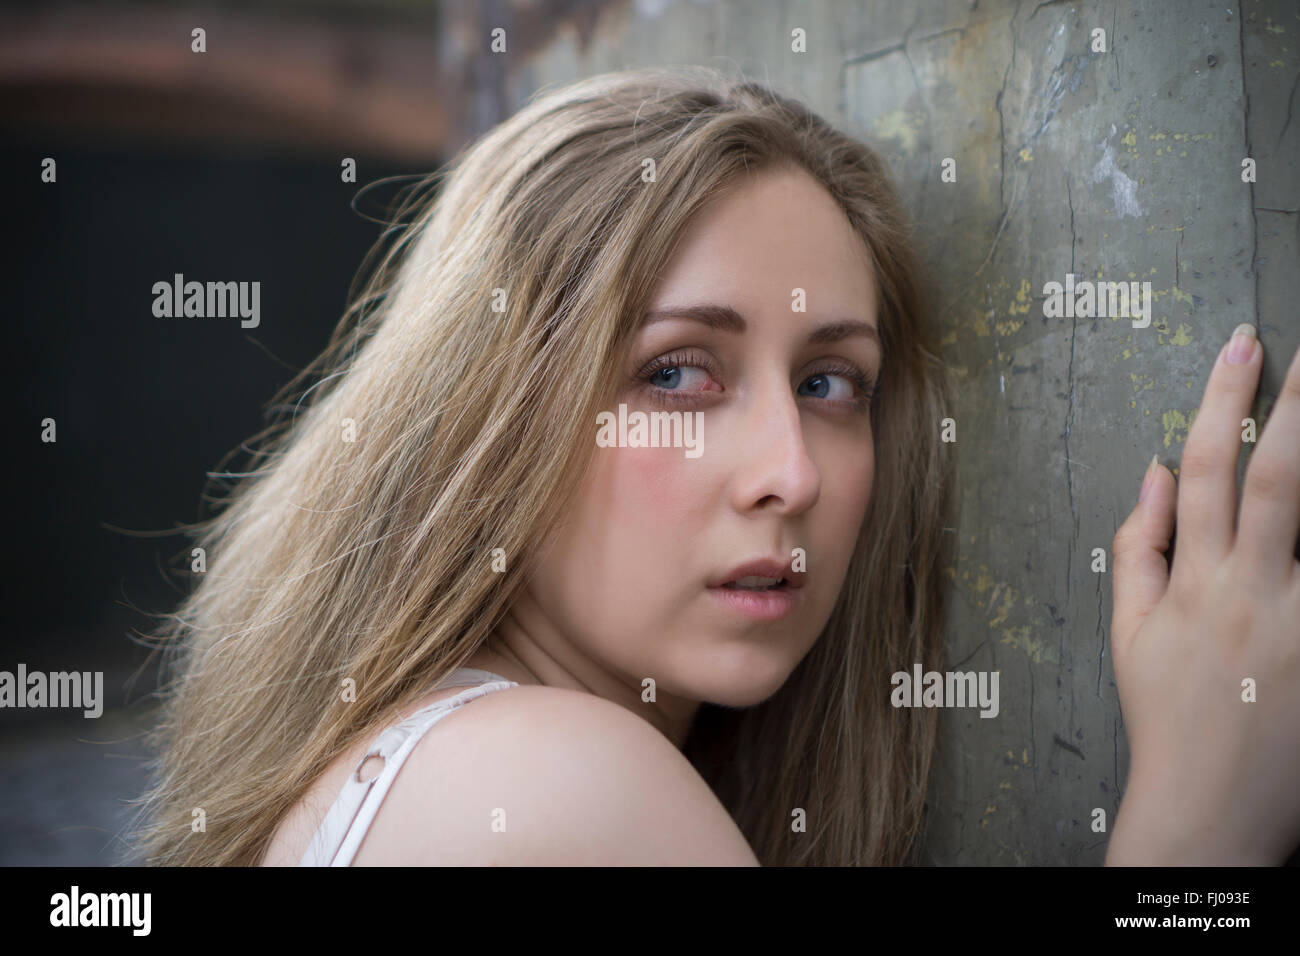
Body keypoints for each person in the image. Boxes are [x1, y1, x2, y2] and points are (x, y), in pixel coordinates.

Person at [126, 65, 1300, 867]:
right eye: (678, 374)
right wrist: (1200, 819)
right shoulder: (559, 786)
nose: (790, 471)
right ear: (491, 409)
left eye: (829, 382)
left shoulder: (398, 759)